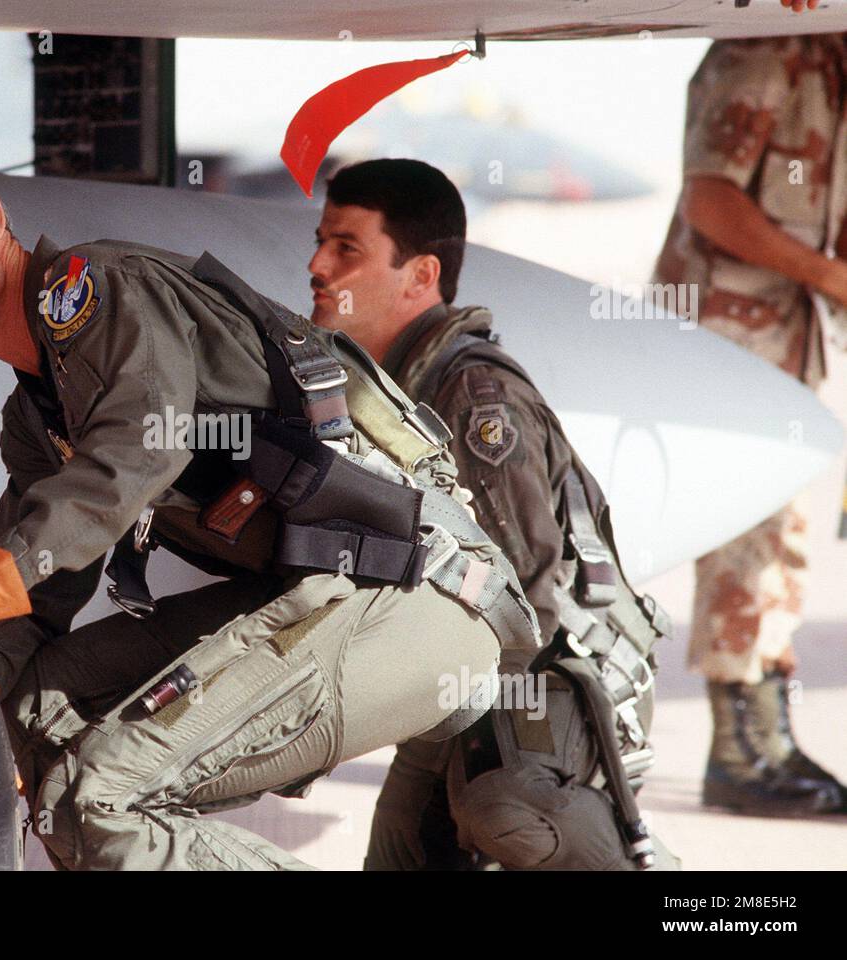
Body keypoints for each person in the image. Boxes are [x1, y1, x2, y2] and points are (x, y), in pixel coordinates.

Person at [0, 162, 540, 870]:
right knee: (27, 714)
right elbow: (33, 595)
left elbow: (141, 444)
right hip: (318, 596)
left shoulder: (97, 293)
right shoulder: (35, 416)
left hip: (416, 592)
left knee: (101, 795)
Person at [310, 158, 675, 870]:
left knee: (502, 807)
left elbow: (527, 605)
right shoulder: (386, 391)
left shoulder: (474, 400)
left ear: (420, 277)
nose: (317, 265)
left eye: (345, 247)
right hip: (464, 663)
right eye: (320, 240)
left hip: (559, 677)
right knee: (401, 851)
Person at [653, 34, 847, 816]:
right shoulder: (769, 44)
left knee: (784, 535)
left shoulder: (833, 63)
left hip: (786, 338)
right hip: (724, 337)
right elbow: (712, 199)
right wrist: (829, 275)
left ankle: (767, 739)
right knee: (748, 538)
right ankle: (740, 756)